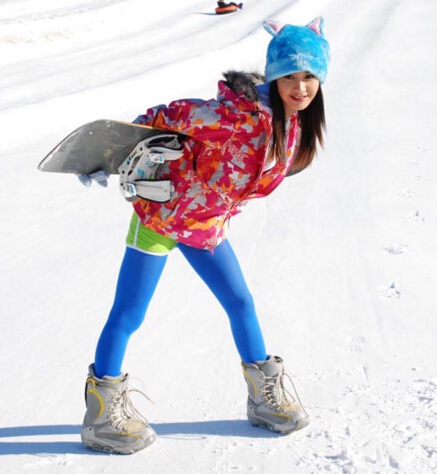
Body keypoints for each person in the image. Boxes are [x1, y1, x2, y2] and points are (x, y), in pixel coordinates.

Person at [80, 17, 330, 454]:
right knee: (129, 314)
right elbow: (167, 117)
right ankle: (101, 416)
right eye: (290, 75)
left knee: (240, 302)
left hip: (203, 225)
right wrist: (114, 152)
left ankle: (263, 400)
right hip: (161, 217)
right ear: (273, 74)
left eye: (309, 76)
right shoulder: (232, 116)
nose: (300, 86)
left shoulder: (291, 126)